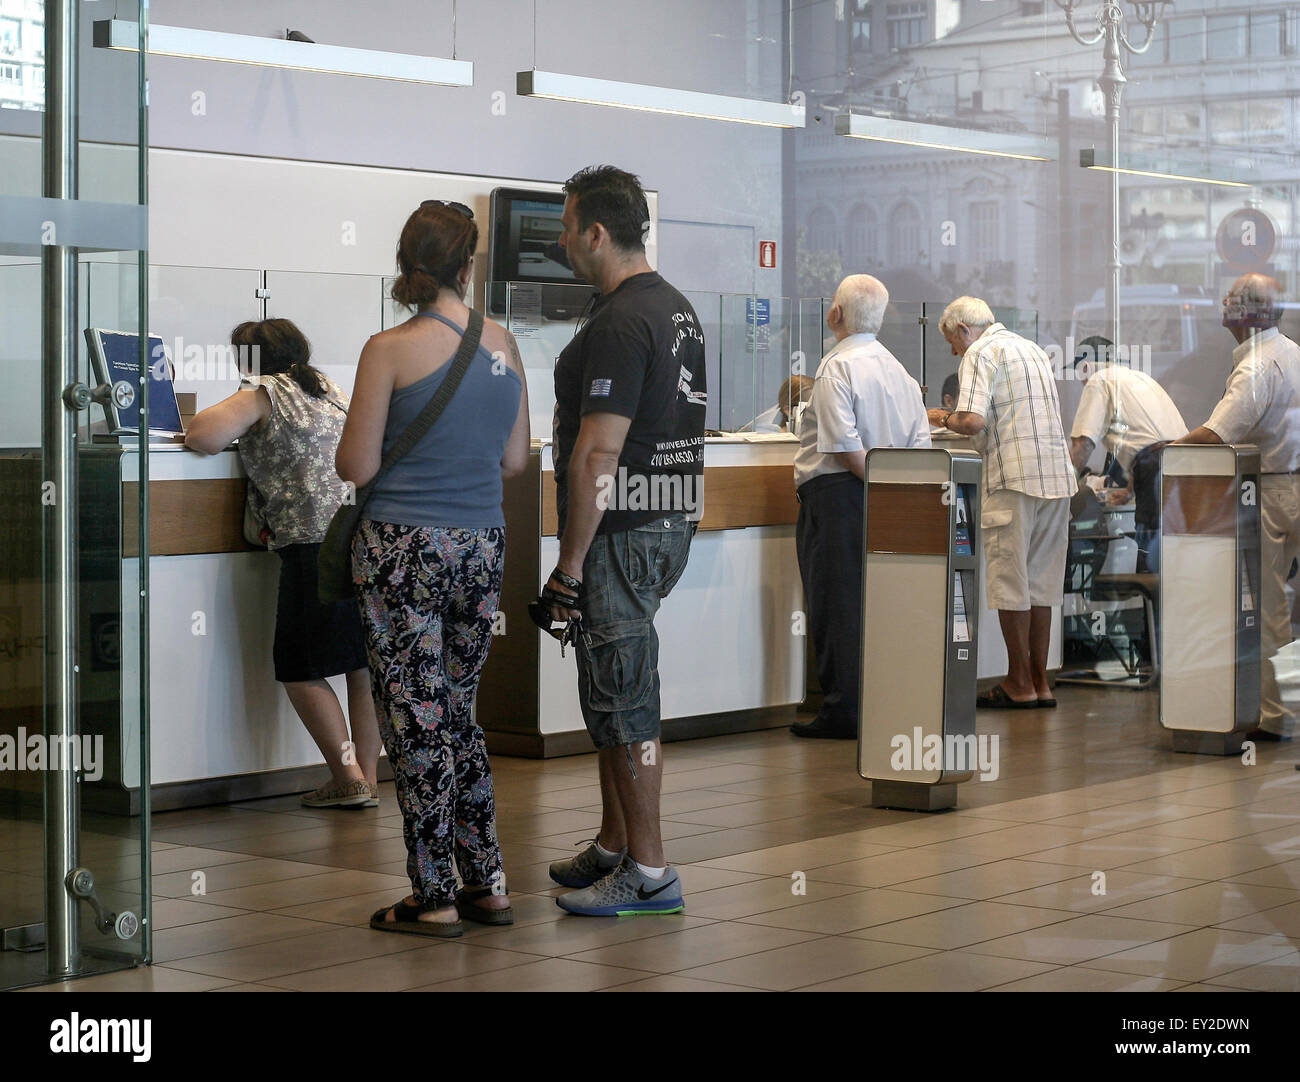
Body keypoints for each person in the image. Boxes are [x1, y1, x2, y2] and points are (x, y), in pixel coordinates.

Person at [337, 201, 531, 935]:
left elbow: (354, 464)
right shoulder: (505, 344)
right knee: (458, 715)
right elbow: (516, 459)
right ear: (468, 265)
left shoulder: (387, 348)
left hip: (401, 550)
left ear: (407, 263)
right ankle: (488, 882)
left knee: (415, 721)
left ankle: (434, 894)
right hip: (482, 545)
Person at [542, 165, 707, 916]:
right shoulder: (675, 309)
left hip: (623, 530)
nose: (562, 238)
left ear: (597, 233)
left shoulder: (617, 321)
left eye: (569, 224)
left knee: (624, 694)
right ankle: (614, 842)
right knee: (611, 688)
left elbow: (597, 454)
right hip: (669, 517)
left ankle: (648, 870)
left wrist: (569, 566)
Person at [185, 319, 382, 809]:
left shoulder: (263, 391)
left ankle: (347, 777)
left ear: (247, 360)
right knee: (362, 665)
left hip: (313, 545)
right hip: (365, 537)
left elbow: (204, 436)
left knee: (298, 665)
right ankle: (371, 778)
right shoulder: (327, 388)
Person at [792, 274, 930, 739]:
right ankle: (879, 706)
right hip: (892, 498)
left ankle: (842, 711)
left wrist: (874, 482)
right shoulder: (902, 373)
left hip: (837, 499)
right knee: (879, 605)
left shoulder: (836, 367)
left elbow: (844, 447)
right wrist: (893, 490)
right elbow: (921, 447)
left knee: (838, 606)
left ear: (835, 315)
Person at [929, 297, 1075, 709]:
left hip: (1012, 477)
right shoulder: (1030, 349)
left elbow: (972, 420)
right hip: (1056, 478)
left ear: (962, 330)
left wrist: (941, 417)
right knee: (1042, 585)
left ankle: (1018, 683)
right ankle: (1041, 683)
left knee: (1011, 584)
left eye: (951, 342)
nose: (953, 351)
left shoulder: (980, 351)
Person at [1176, 273, 1300, 742]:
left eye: (1230, 299)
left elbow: (1216, 433)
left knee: (1270, 608)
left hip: (1267, 492)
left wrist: (1162, 450)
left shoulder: (1256, 367)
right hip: (1293, 482)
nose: (1223, 305)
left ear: (1247, 314)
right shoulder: (1292, 353)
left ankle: (1276, 716)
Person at [1068, 334, 1187, 572]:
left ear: (1085, 366)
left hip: (1156, 471)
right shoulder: (1141, 378)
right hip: (1187, 465)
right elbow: (1150, 440)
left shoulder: (1099, 380)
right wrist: (1130, 490)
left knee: (1151, 561)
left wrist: (1063, 491)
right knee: (1173, 556)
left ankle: (1154, 606)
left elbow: (1084, 445)